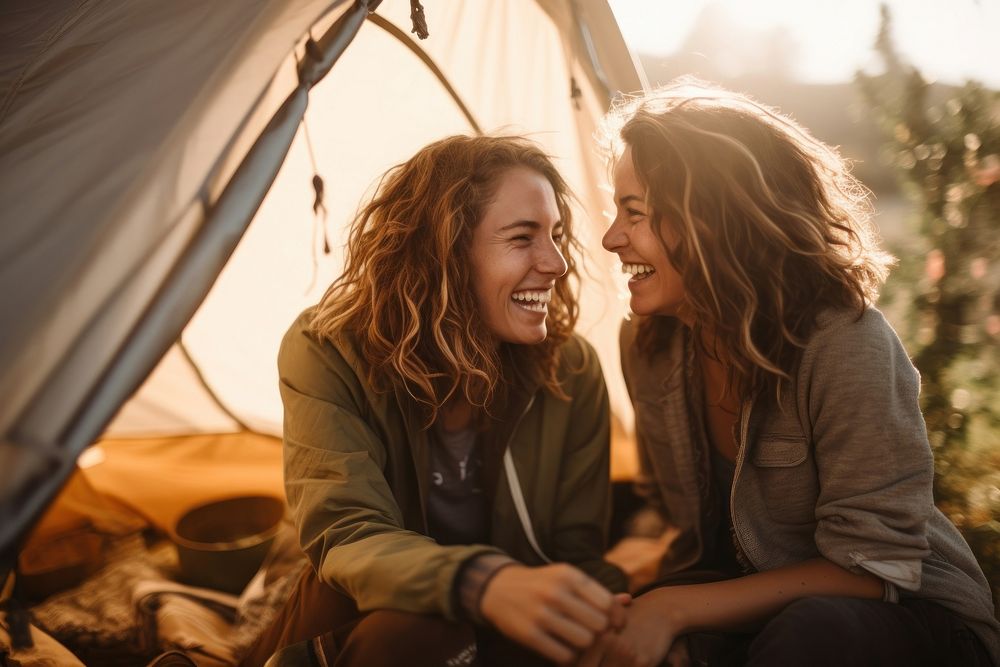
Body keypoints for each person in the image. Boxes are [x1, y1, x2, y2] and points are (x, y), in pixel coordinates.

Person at [583, 80, 1000, 666]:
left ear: (712, 219)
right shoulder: (650, 347)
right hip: (762, 608)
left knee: (807, 634)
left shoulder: (845, 343)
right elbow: (689, 533)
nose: (610, 238)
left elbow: (876, 568)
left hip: (910, 618)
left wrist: (676, 609)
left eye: (635, 213)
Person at [241, 135, 629, 667]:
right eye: (523, 238)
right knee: (415, 627)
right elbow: (347, 534)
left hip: (499, 634)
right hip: (367, 622)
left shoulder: (571, 370)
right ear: (444, 253)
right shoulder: (328, 349)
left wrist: (617, 614)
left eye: (557, 236)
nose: (557, 263)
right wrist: (481, 583)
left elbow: (574, 555)